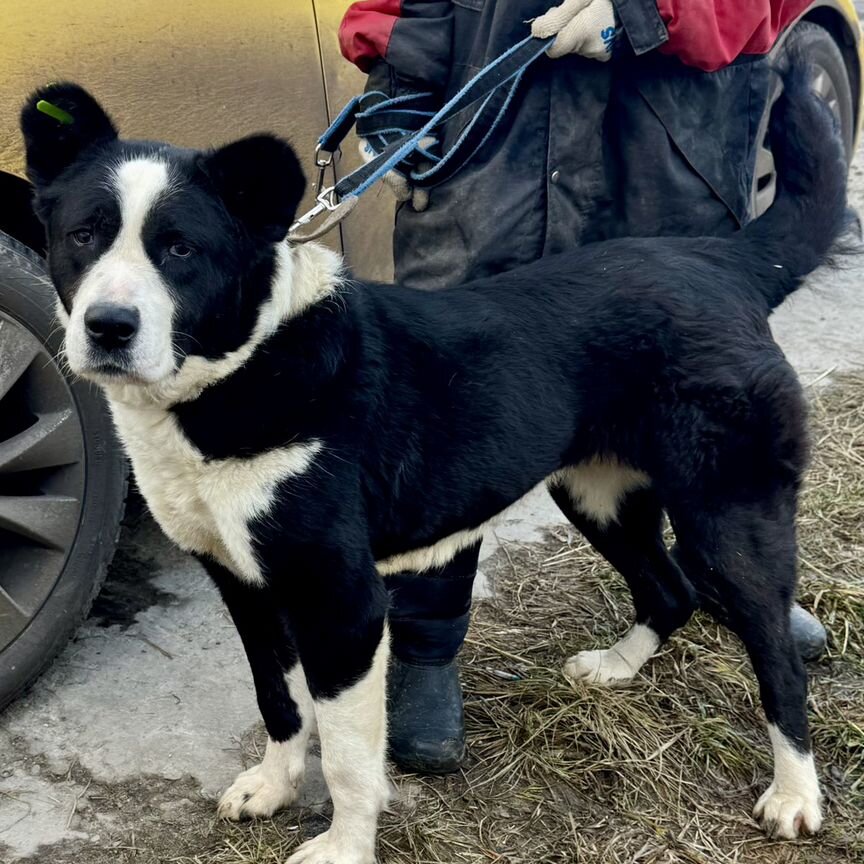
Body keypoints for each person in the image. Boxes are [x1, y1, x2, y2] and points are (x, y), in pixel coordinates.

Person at [338, 0, 829, 774]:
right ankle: (428, 649)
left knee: (702, 451)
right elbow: (395, 11)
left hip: (669, 168)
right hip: (489, 179)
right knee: (443, 426)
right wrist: (394, 97)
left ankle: (738, 584)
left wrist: (650, 10)